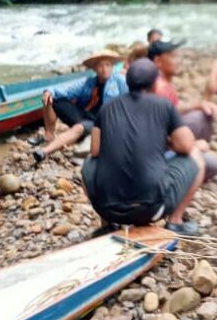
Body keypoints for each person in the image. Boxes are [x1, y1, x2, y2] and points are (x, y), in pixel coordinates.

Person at [81, 59, 206, 237]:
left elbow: (95, 150)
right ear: (155, 84)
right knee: (196, 155)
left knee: (89, 162)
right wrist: (164, 141)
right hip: (152, 209)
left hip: (107, 207)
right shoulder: (164, 105)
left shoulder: (107, 107)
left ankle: (108, 224)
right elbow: (185, 146)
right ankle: (176, 222)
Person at [33, 50, 127, 162]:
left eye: (108, 65)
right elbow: (66, 90)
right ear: (95, 69)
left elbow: (129, 101)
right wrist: (49, 91)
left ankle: (45, 151)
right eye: (100, 65)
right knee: (50, 98)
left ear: (112, 67)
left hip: (99, 123)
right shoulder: (89, 82)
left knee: (79, 127)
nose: (104, 69)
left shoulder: (120, 81)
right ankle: (49, 134)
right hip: (83, 115)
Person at [149, 39, 217, 179]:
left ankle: (192, 157)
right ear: (158, 62)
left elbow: (174, 108)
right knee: (213, 165)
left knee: (203, 114)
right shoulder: (159, 87)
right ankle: (185, 167)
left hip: (169, 142)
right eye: (172, 56)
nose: (178, 61)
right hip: (161, 152)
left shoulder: (160, 82)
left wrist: (199, 104)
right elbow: (162, 135)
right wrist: (192, 145)